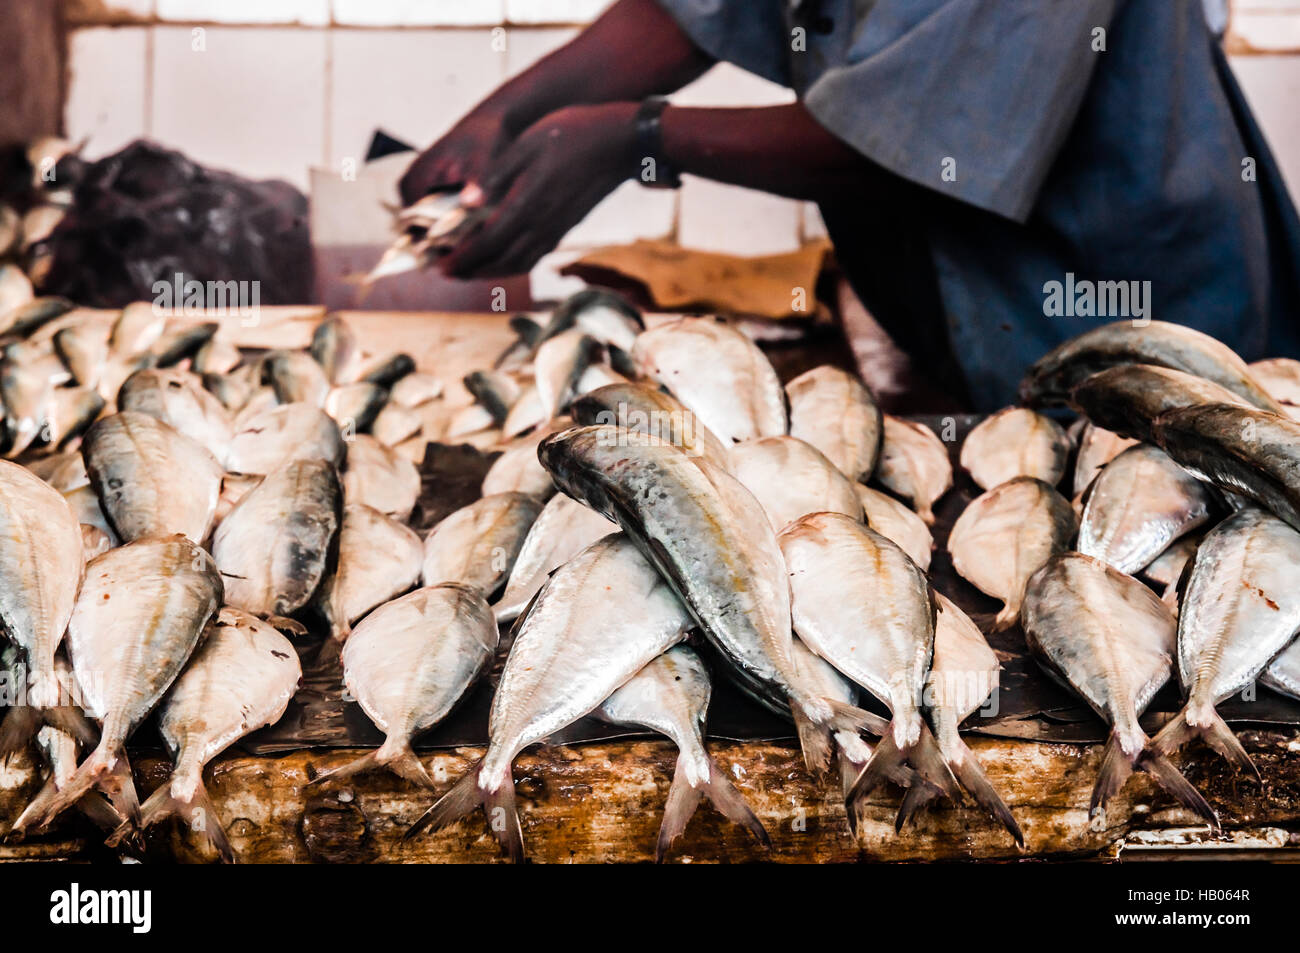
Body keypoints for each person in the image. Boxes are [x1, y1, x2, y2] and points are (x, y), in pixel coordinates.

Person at [400, 0, 1300, 409]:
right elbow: (701, 9)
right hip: (972, 317)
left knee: (1165, 512)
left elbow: (922, 142)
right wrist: (512, 111)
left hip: (1130, 300)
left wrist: (634, 140)